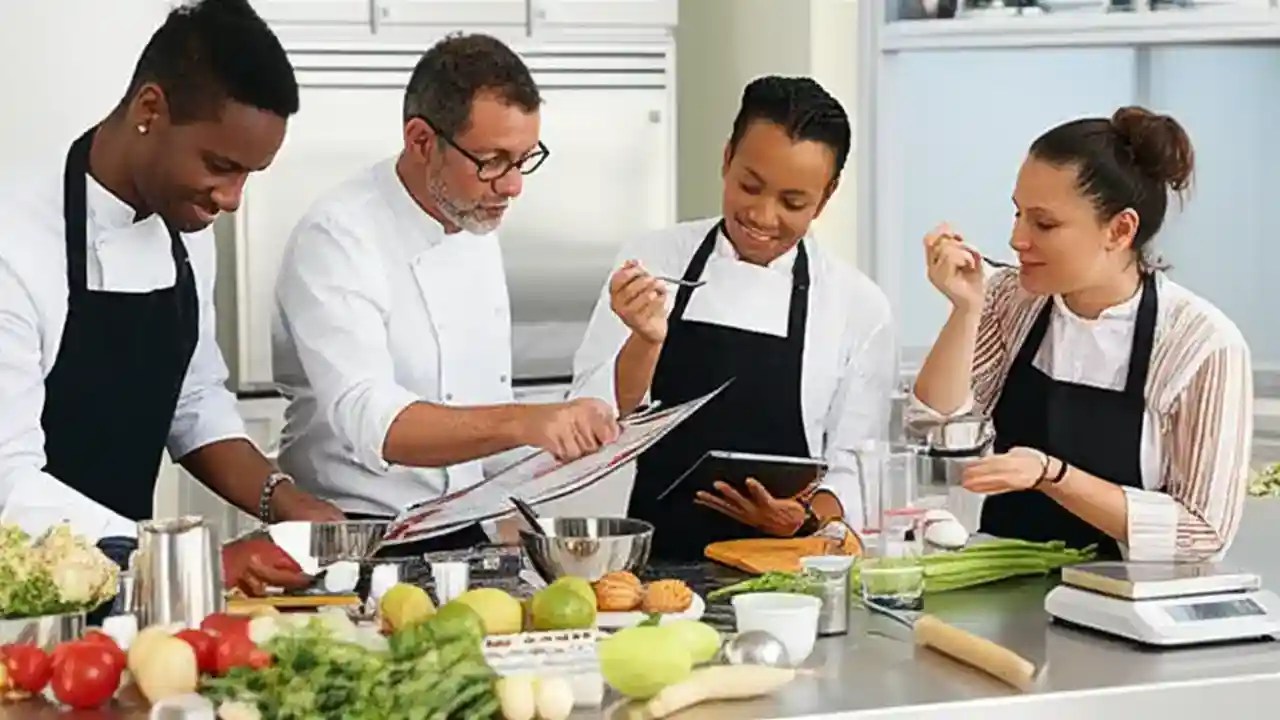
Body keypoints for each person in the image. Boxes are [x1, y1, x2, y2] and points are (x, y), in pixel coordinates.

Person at [0, 0, 342, 597]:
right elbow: (7, 479)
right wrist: (189, 558)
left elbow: (193, 399)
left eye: (248, 176)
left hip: (130, 585)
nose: (232, 199)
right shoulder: (16, 243)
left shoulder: (184, 229)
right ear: (150, 110)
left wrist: (286, 503)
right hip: (24, 597)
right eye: (220, 166)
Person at [272, 33, 619, 553]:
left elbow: (479, 404)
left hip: (463, 524)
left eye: (523, 159)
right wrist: (529, 422)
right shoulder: (338, 235)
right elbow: (373, 420)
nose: (512, 185)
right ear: (420, 140)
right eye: (493, 160)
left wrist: (539, 465)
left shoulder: (471, 218)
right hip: (357, 531)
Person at [571, 76, 895, 560]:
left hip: (785, 572)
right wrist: (645, 339)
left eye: (793, 203)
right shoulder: (654, 259)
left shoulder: (857, 305)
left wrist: (803, 519)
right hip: (653, 558)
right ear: (726, 159)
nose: (763, 216)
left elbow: (854, 465)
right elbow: (594, 413)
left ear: (825, 197)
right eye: (750, 186)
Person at [911, 106, 1252, 562]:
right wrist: (965, 309)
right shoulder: (1011, 302)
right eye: (1017, 214)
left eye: (1044, 223)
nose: (1017, 239)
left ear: (1120, 229)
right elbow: (936, 431)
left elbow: (1201, 533)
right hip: (1004, 587)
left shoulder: (1201, 345)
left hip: (1127, 603)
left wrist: (1052, 475)